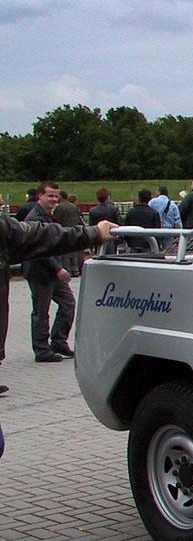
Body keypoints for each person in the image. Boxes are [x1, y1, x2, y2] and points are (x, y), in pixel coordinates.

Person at [0, 200, 117, 450]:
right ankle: (43, 346)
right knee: (41, 312)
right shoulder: (25, 221)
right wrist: (94, 233)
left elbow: (38, 235)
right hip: (42, 276)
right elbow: (38, 236)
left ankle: (52, 344)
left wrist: (92, 233)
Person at [22, 183, 81, 363]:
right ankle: (41, 349)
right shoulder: (34, 218)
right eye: (50, 196)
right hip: (40, 272)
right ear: (40, 196)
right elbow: (38, 249)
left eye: (56, 196)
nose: (54, 199)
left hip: (53, 271)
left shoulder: (49, 216)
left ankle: (58, 341)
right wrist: (58, 268)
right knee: (41, 311)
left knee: (68, 303)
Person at [53, 190, 84, 276]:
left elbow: (56, 220)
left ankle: (68, 270)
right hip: (74, 230)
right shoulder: (73, 206)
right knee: (73, 252)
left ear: (61, 196)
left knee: (65, 253)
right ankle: (75, 270)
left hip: (64, 231)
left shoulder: (59, 207)